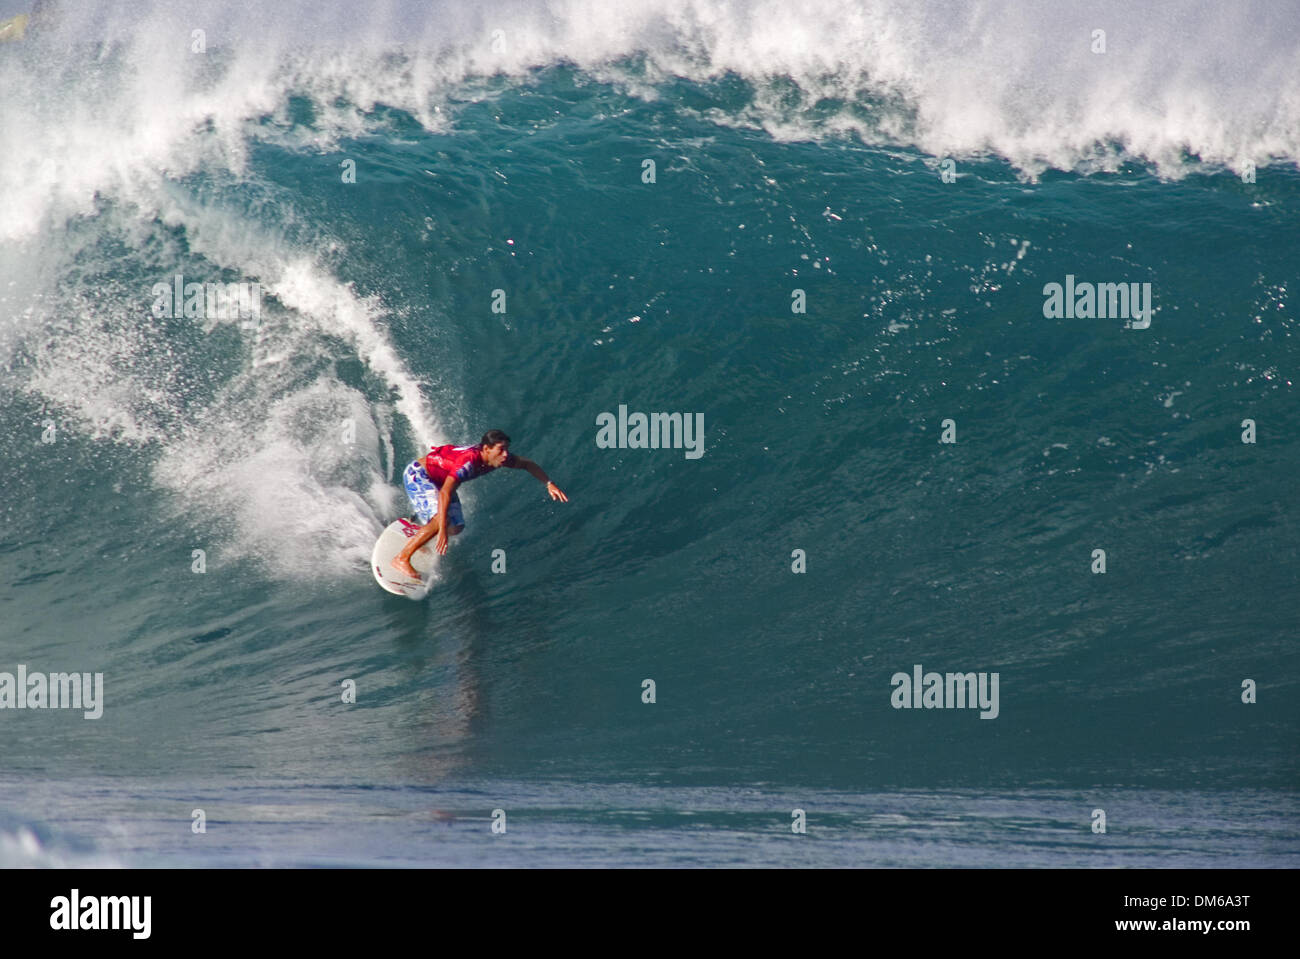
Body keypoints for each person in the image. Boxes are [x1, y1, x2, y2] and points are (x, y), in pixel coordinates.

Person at [392, 429, 568, 579]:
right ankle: (401, 558)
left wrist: (549, 483)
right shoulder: (468, 463)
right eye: (501, 450)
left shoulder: (499, 459)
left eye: (506, 449)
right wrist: (442, 529)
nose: (505, 454)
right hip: (420, 475)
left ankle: (419, 527)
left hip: (441, 481)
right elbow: (445, 492)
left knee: (457, 527)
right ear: (486, 449)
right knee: (442, 522)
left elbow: (527, 464)